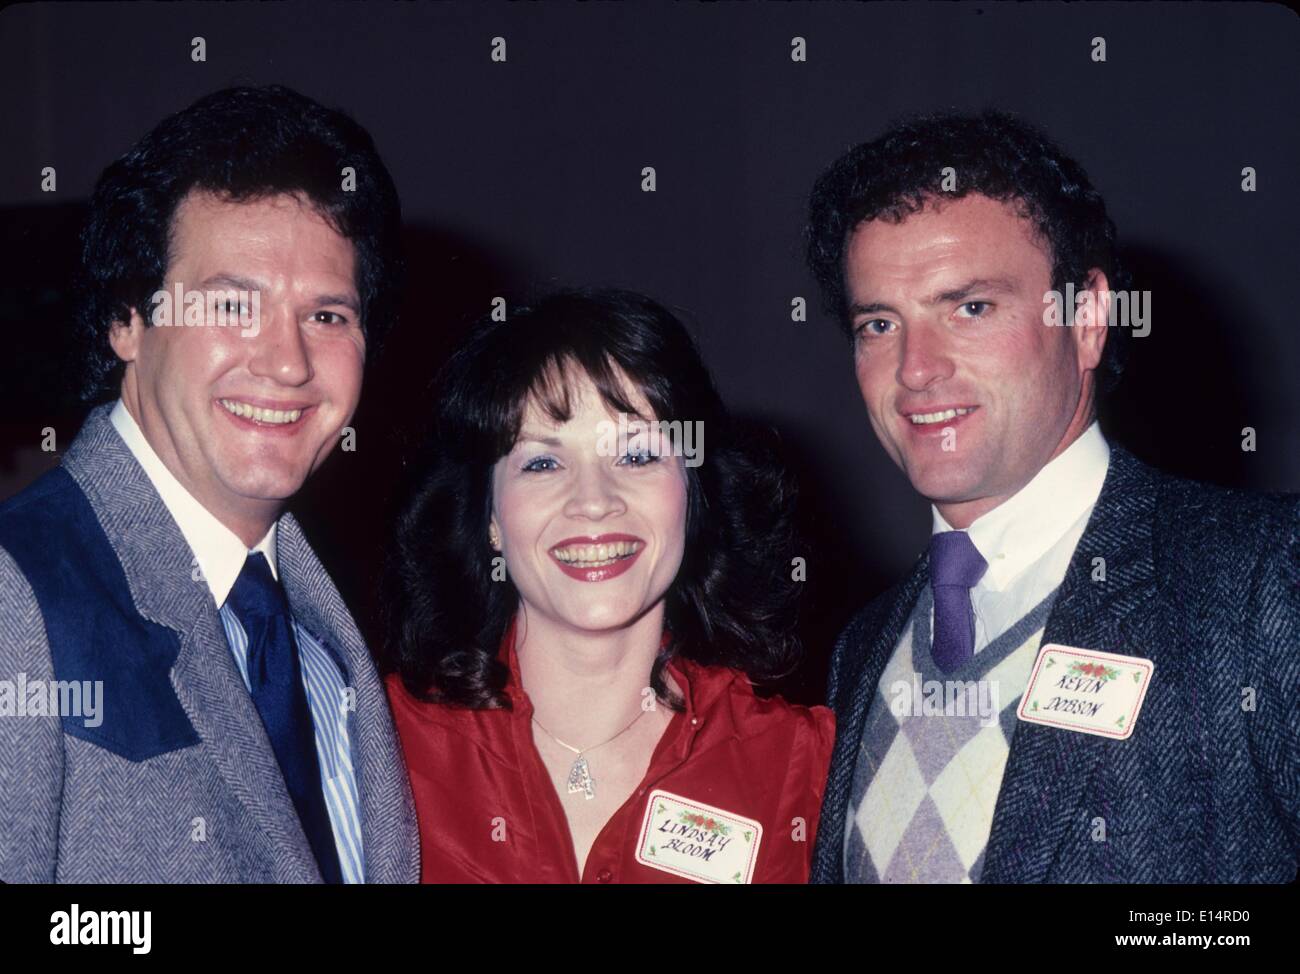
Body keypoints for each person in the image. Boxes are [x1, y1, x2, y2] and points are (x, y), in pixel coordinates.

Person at [803, 110, 1299, 883]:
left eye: (969, 307)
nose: (917, 368)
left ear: (1088, 319)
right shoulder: (862, 647)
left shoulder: (1262, 578)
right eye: (878, 323)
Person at [0, 85, 418, 883]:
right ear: (128, 319)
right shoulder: (17, 596)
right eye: (232, 304)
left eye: (328, 315)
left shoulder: (329, 650)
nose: (289, 363)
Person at [384, 288, 834, 883]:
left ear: (693, 495)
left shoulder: (803, 767)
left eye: (638, 456)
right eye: (542, 463)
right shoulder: (377, 746)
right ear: (489, 518)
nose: (594, 502)